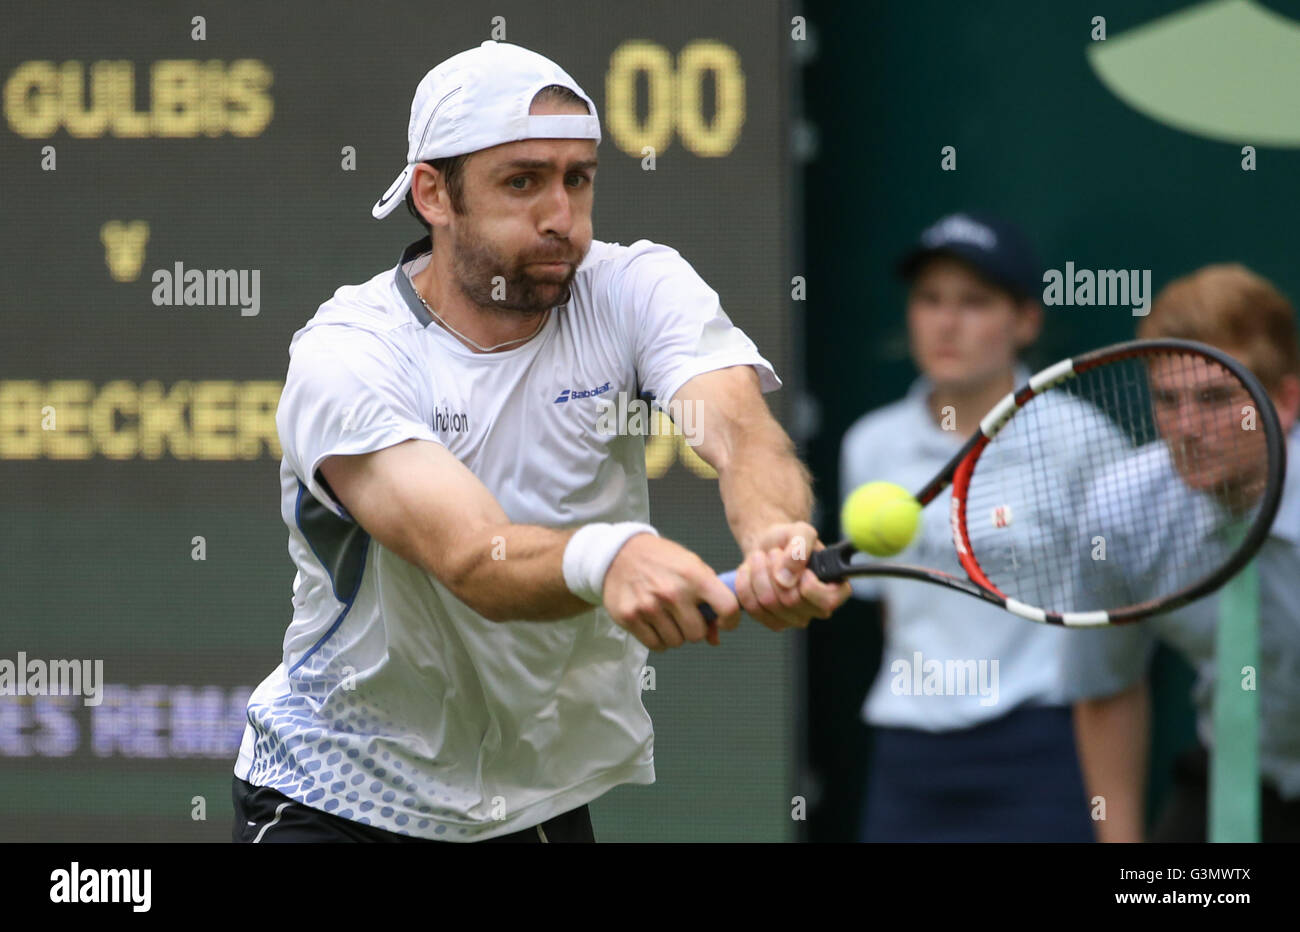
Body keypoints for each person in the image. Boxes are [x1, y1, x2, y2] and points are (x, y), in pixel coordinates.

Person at [230, 40, 850, 844]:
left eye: (577, 179)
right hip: (338, 796)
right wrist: (613, 556)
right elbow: (470, 557)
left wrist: (773, 535)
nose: (562, 216)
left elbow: (737, 428)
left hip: (534, 803)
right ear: (434, 194)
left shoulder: (635, 285)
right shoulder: (347, 356)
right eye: (522, 181)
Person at [839, 212, 1096, 841]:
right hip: (909, 756)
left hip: (1040, 745)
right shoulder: (870, 445)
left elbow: (1114, 623)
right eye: (929, 300)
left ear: (1026, 321)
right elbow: (887, 609)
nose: (946, 323)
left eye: (974, 302)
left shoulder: (1080, 439)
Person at [1069, 263, 1300, 842]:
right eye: (1168, 400)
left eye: (1217, 397)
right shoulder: (1120, 511)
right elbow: (1107, 689)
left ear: (1287, 399)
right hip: (1238, 775)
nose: (1187, 428)